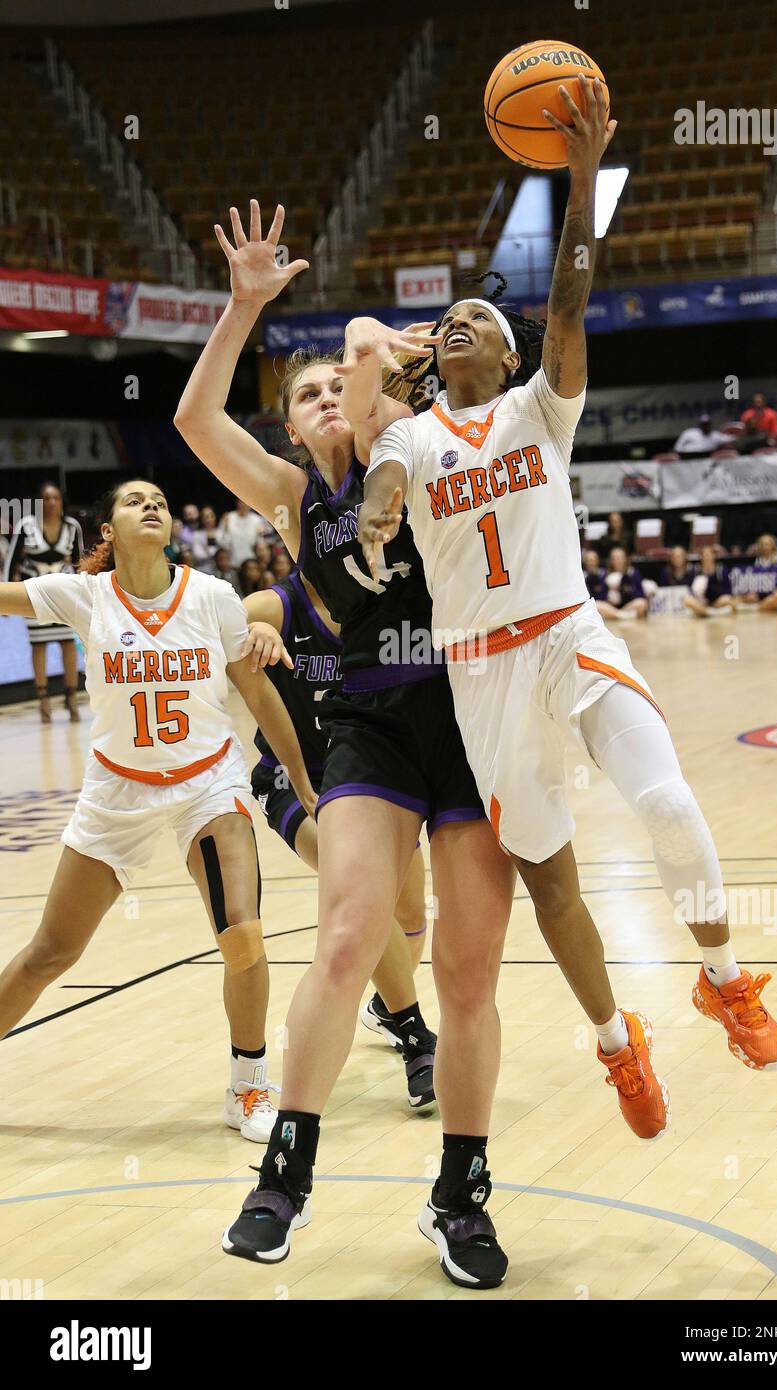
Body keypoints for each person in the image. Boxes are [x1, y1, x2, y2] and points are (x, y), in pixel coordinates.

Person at [357, 77, 777, 1221]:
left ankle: (722, 979)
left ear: (508, 357)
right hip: (478, 676)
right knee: (550, 882)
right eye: (445, 323)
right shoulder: (407, 429)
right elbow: (387, 468)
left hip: (565, 633)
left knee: (667, 800)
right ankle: (614, 1039)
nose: (460, 327)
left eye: (478, 323)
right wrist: (379, 508)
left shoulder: (542, 406)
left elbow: (566, 302)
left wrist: (577, 187)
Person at [173, 200, 516, 1289]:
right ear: (291, 427)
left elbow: (374, 351)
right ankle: (285, 1174)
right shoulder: (287, 498)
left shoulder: (411, 449)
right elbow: (190, 419)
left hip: (468, 712)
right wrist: (242, 309)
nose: (329, 396)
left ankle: (459, 1193)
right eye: (308, 393)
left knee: (466, 977)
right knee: (343, 939)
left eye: (340, 386)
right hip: (368, 720)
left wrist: (387, 356)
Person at [0, 479, 319, 1145]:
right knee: (49, 952)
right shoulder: (83, 595)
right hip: (118, 792)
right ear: (108, 531)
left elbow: (257, 693)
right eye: (134, 500)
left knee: (243, 931)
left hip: (208, 783)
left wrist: (301, 777)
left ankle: (250, 1082)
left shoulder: (209, 597)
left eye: (161, 502)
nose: (152, 506)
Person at [243, 566, 436, 1109]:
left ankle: (388, 1009)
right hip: (293, 781)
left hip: (373, 773)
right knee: (356, 890)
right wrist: (249, 632)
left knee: (410, 914)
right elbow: (208, 627)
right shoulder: (273, 606)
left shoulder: (379, 603)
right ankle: (418, 1036)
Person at [3, 482, 85, 723]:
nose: (51, 503)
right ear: (40, 502)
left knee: (67, 642)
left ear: (62, 501)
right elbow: (12, 562)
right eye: (47, 498)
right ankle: (43, 700)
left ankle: (71, 698)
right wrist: (6, 599)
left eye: (55, 498)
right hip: (33, 594)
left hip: (65, 594)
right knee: (39, 646)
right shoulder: (25, 526)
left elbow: (81, 562)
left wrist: (85, 592)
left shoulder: (72, 526)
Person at [595, 544, 648, 620]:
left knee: (642, 603)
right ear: (611, 560)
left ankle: (619, 616)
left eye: (619, 558)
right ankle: (622, 616)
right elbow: (601, 597)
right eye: (614, 558)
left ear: (625, 559)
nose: (617, 560)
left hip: (628, 606)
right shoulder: (605, 574)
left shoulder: (632, 572)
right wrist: (609, 590)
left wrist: (627, 590)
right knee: (597, 605)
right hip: (611, 608)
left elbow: (641, 594)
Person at [731, 533, 777, 605]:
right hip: (761, 592)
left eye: (767, 544)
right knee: (748, 597)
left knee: (776, 596)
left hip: (775, 591)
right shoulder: (757, 561)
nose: (764, 547)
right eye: (762, 545)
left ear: (773, 546)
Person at [683, 547, 735, 618]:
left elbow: (728, 590)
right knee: (687, 600)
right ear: (701, 557)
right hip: (700, 602)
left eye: (709, 555)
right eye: (704, 555)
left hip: (716, 602)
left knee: (727, 599)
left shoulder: (721, 570)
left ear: (714, 556)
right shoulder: (695, 571)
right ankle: (706, 612)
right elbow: (690, 589)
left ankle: (704, 612)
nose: (707, 557)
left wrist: (716, 593)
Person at [219, 496, 266, 567]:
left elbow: (260, 543)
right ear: (237, 502)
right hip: (231, 562)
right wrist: (225, 528)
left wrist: (260, 535)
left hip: (251, 562)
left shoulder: (257, 520)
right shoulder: (228, 517)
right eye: (241, 501)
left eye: (246, 502)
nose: (244, 504)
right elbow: (222, 543)